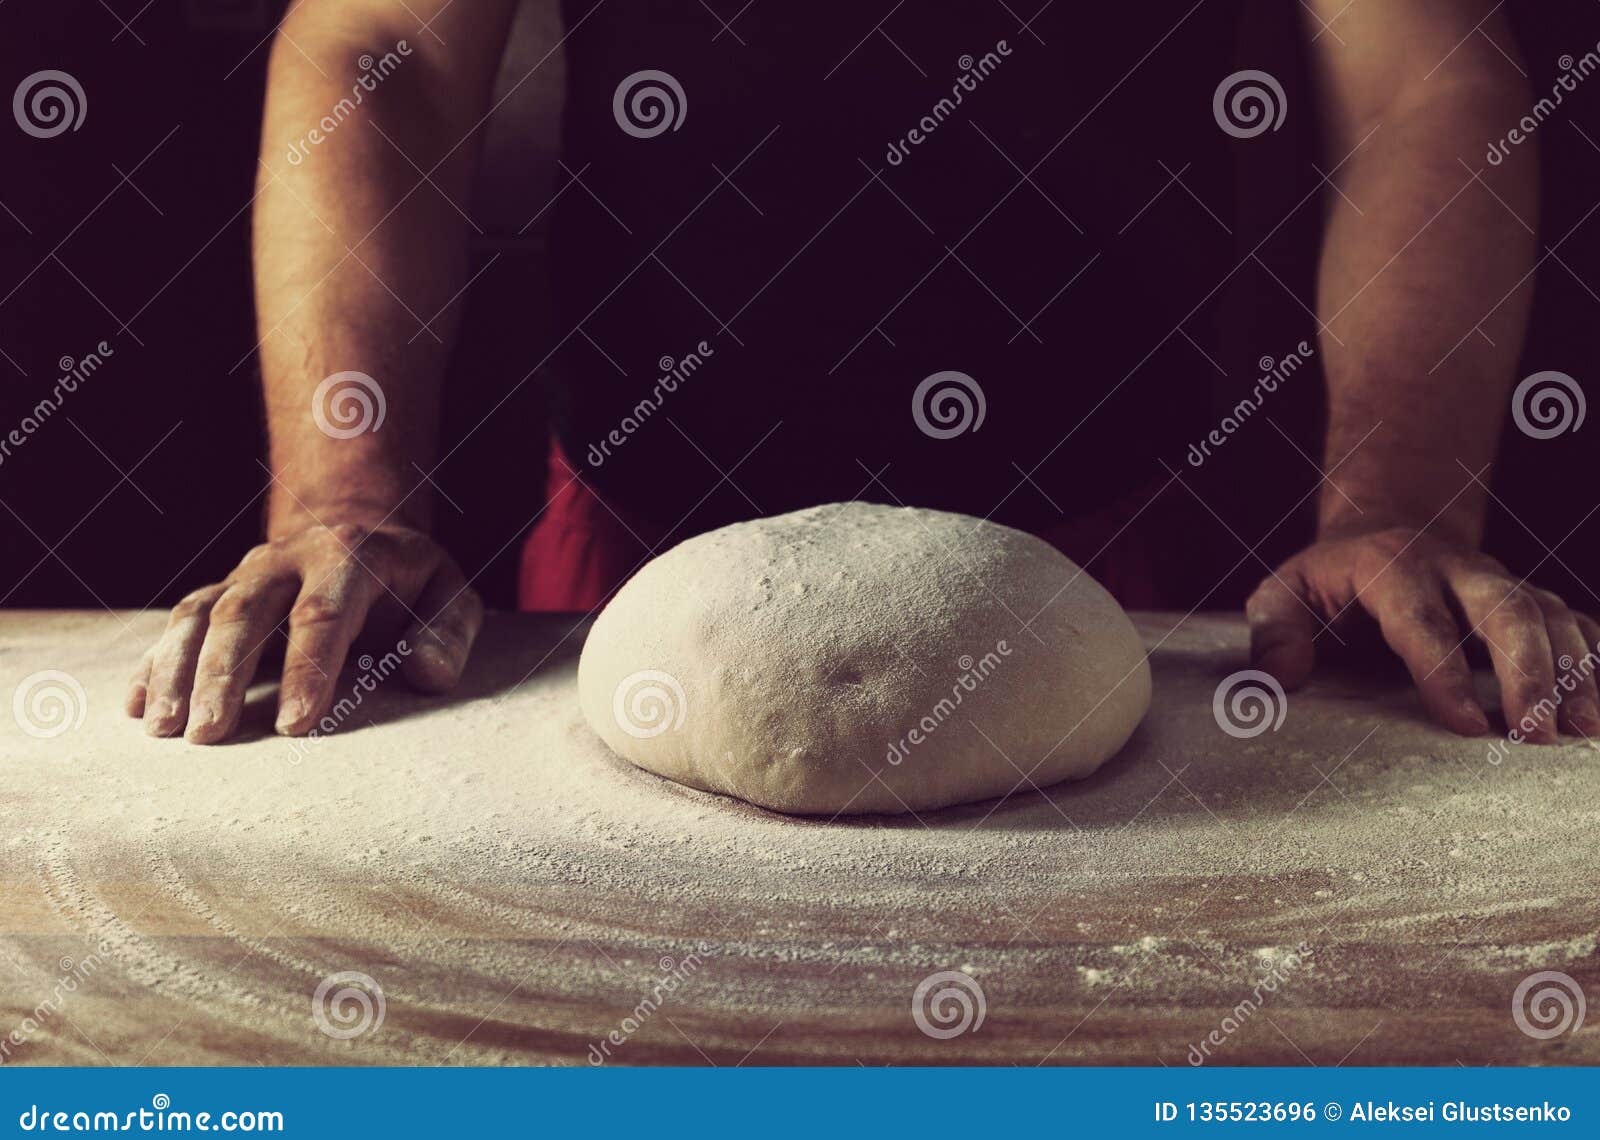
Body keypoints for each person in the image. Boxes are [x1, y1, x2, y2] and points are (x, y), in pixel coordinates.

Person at [128, 0, 1600, 747]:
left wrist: (1402, 503)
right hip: (633, 565)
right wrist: (340, 493)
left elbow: (1424, 70)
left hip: (1119, 577)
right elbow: (389, 44)